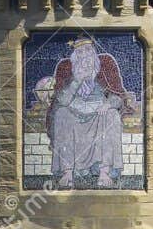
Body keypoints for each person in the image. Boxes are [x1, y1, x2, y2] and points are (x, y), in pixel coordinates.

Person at [47, 37, 135, 188]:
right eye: (80, 52)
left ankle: (104, 172)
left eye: (88, 50)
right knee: (61, 114)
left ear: (93, 52)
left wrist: (108, 104)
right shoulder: (65, 67)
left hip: (98, 114)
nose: (85, 56)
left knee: (112, 115)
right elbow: (61, 100)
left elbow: (118, 96)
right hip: (73, 114)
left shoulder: (106, 63)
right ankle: (67, 172)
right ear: (75, 57)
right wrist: (77, 80)